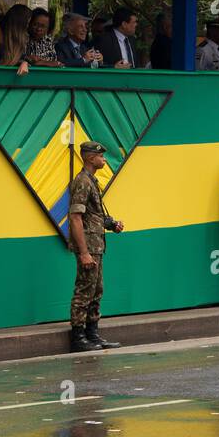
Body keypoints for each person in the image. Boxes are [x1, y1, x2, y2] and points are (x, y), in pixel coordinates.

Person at [67, 140, 124, 351]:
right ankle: (78, 337)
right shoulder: (82, 181)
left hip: (96, 245)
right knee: (84, 290)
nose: (104, 159)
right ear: (91, 158)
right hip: (88, 247)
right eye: (101, 156)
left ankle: (92, 334)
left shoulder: (92, 181)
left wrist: (111, 224)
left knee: (96, 290)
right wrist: (83, 252)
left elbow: (93, 215)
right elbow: (75, 217)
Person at [17, 8, 62, 73]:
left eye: (43, 26)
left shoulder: (48, 41)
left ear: (48, 29)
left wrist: (41, 62)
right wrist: (44, 63)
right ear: (29, 23)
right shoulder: (21, 39)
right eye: (35, 25)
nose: (38, 29)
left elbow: (54, 63)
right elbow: (16, 60)